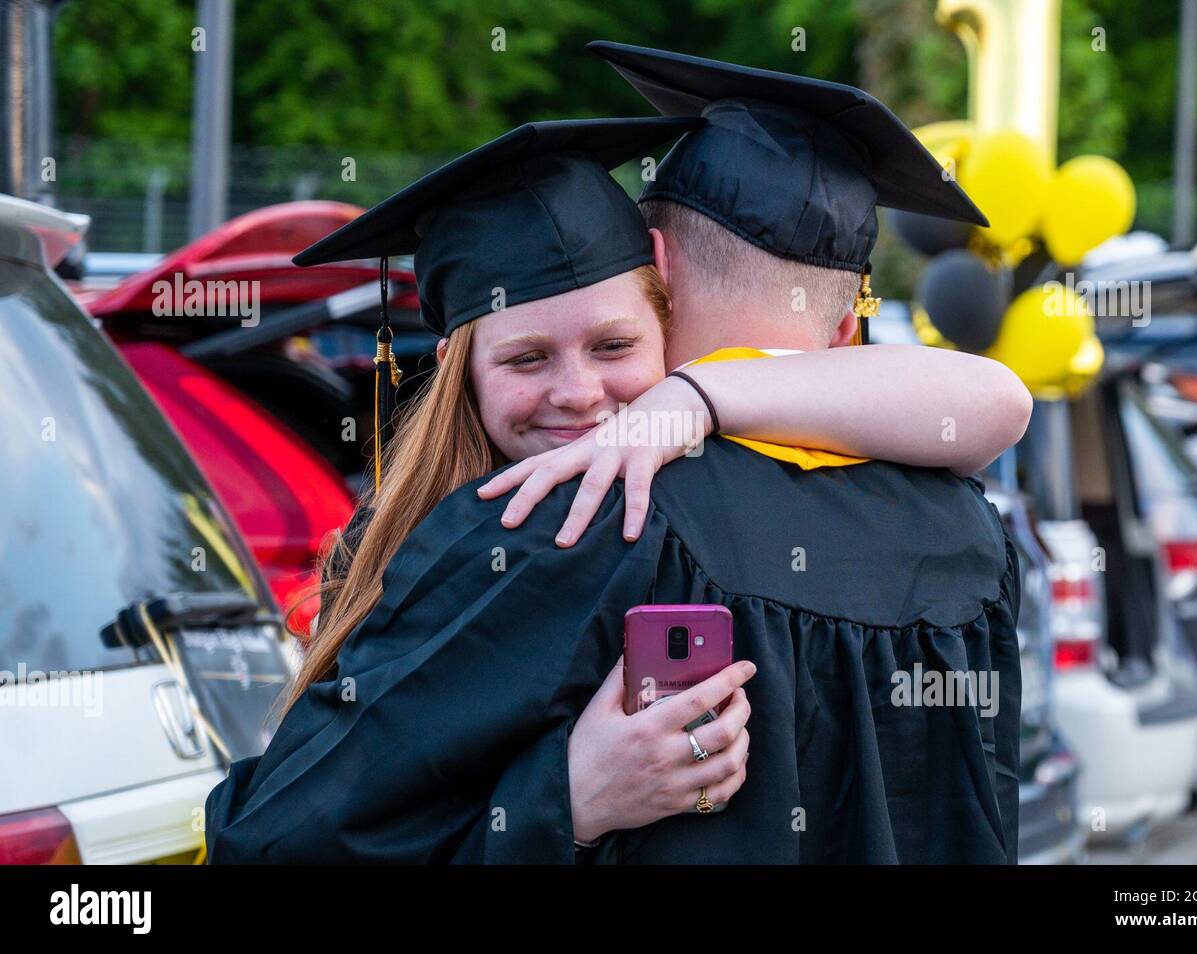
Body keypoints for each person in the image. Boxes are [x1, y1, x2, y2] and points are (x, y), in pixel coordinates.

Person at [205, 89, 1023, 862]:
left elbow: (274, 845)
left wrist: (562, 805)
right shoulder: (970, 536)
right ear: (848, 327)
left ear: (654, 276)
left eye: (612, 345)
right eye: (528, 355)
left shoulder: (566, 523)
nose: (580, 395)